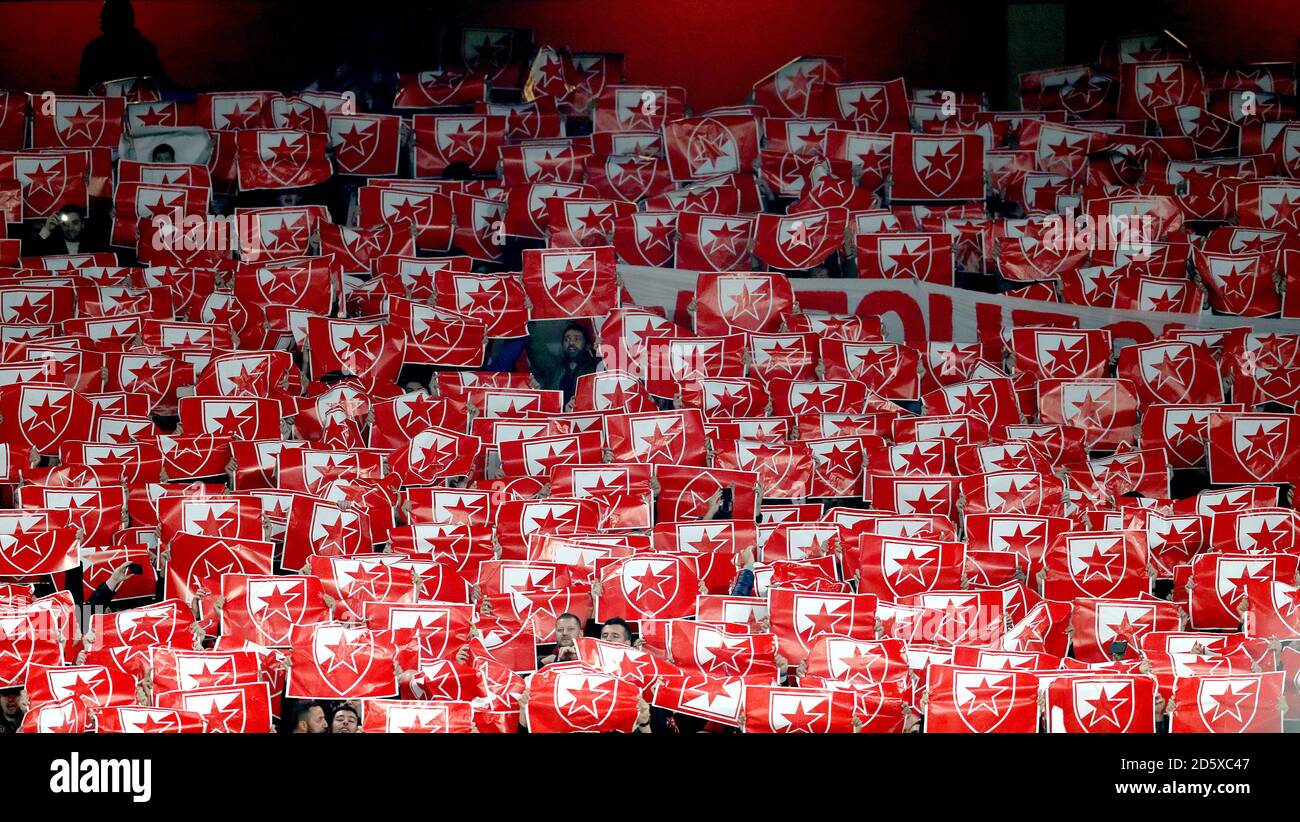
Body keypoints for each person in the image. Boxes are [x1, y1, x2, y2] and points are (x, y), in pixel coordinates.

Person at [77, 0, 170, 94]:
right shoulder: (145, 48)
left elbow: (82, 93)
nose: (99, 20)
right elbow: (163, 86)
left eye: (103, 16)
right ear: (131, 20)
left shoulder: (93, 50)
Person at [527, 321, 602, 404]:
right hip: (557, 415)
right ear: (562, 345)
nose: (571, 343)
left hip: (589, 415)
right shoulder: (554, 367)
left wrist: (604, 347)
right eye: (567, 339)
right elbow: (537, 350)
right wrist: (528, 319)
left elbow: (614, 368)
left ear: (587, 346)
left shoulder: (597, 366)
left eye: (577, 339)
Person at [23, 204, 105, 256]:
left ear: (82, 224)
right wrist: (47, 229)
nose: (70, 228)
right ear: (60, 224)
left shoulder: (94, 245)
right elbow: (30, 255)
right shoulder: (51, 245)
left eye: (75, 223)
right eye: (65, 224)